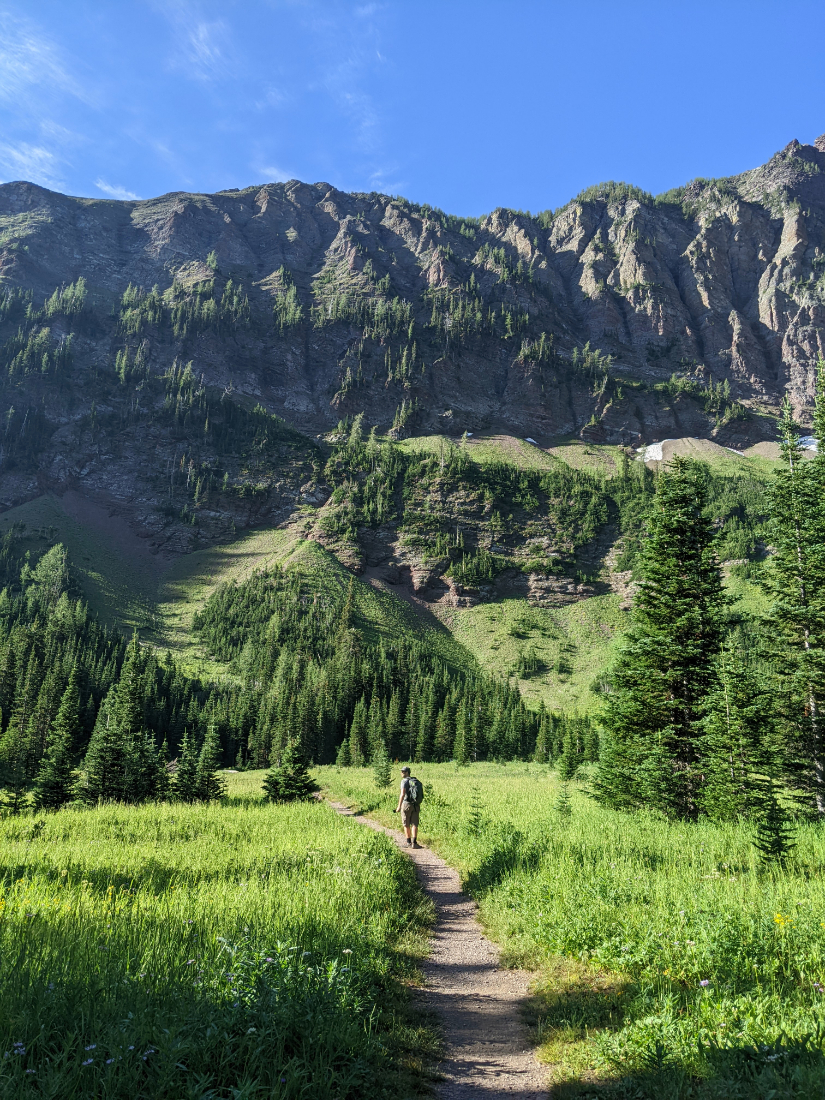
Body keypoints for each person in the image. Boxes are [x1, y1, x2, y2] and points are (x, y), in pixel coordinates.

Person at [394, 765, 422, 848]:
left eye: (403, 772)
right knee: (414, 823)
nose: (402, 773)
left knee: (406, 823)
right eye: (401, 771)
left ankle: (408, 842)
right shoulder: (415, 780)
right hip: (416, 805)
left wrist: (399, 806)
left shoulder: (404, 781)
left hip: (406, 804)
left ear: (407, 773)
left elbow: (402, 794)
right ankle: (415, 842)